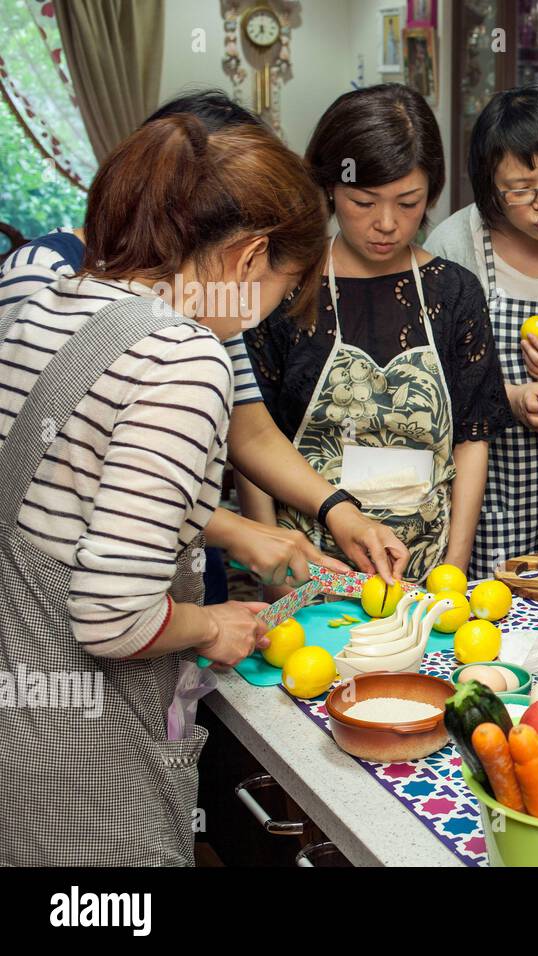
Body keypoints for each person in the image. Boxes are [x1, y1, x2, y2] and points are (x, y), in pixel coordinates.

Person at [0, 115, 327, 864]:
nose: (276, 308)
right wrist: (213, 627)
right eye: (285, 285)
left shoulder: (54, 302)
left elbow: (73, 491)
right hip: (87, 758)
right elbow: (112, 619)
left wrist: (234, 534)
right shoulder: (183, 357)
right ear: (249, 256)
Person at [0, 90, 408, 592]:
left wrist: (338, 510)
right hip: (68, 596)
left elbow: (250, 431)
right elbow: (61, 472)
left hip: (164, 573)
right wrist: (234, 536)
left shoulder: (207, 301)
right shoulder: (49, 277)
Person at [244, 84, 512, 582]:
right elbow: (253, 435)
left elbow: (472, 438)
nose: (386, 224)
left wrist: (453, 566)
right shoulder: (284, 289)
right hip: (307, 566)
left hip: (424, 567)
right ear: (329, 187)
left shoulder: (454, 293)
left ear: (431, 193)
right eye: (364, 202)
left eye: (407, 203)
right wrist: (272, 570)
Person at [425, 85, 538, 578]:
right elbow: (433, 380)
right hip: (488, 491)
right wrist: (511, 397)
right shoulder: (456, 243)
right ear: (488, 185)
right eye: (520, 192)